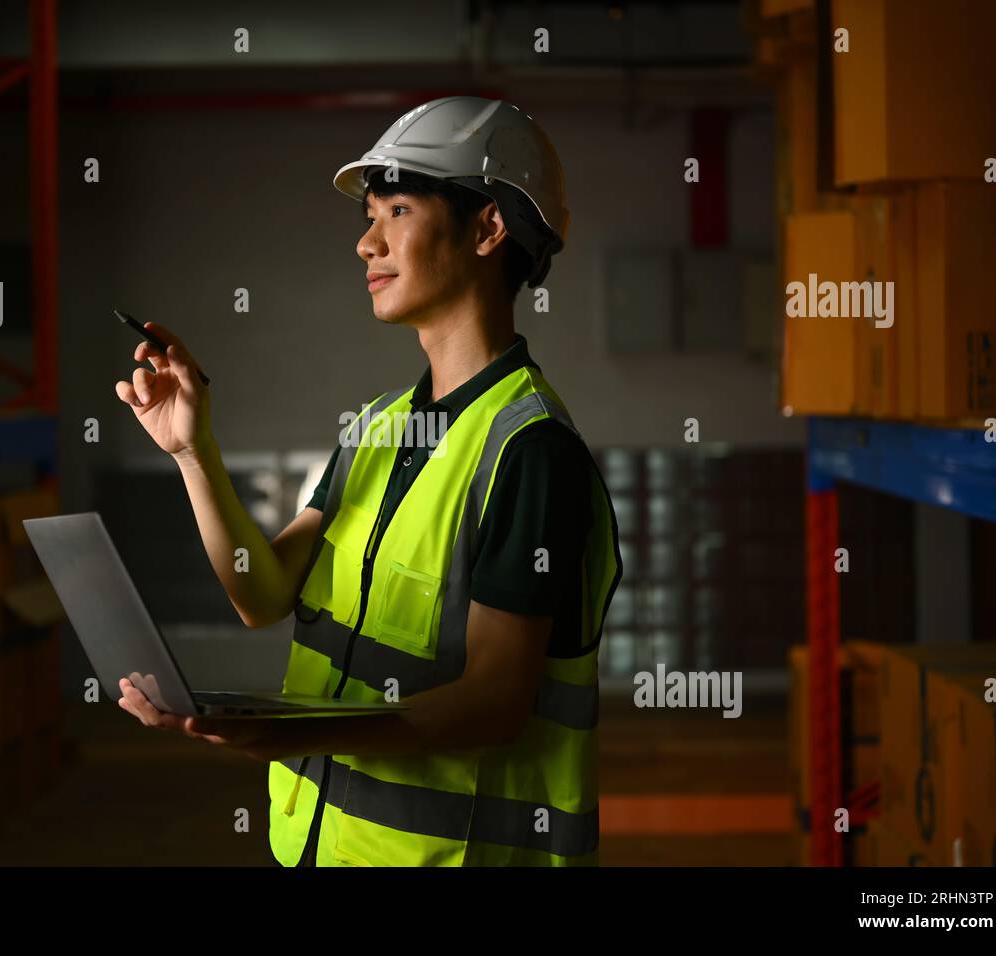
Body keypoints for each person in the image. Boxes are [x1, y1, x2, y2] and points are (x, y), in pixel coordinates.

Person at [114, 96, 620, 866]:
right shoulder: (378, 427)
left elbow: (493, 703)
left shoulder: (531, 451)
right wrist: (193, 451)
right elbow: (263, 593)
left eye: (397, 211)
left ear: (488, 229)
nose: (366, 243)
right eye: (369, 216)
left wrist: (288, 732)